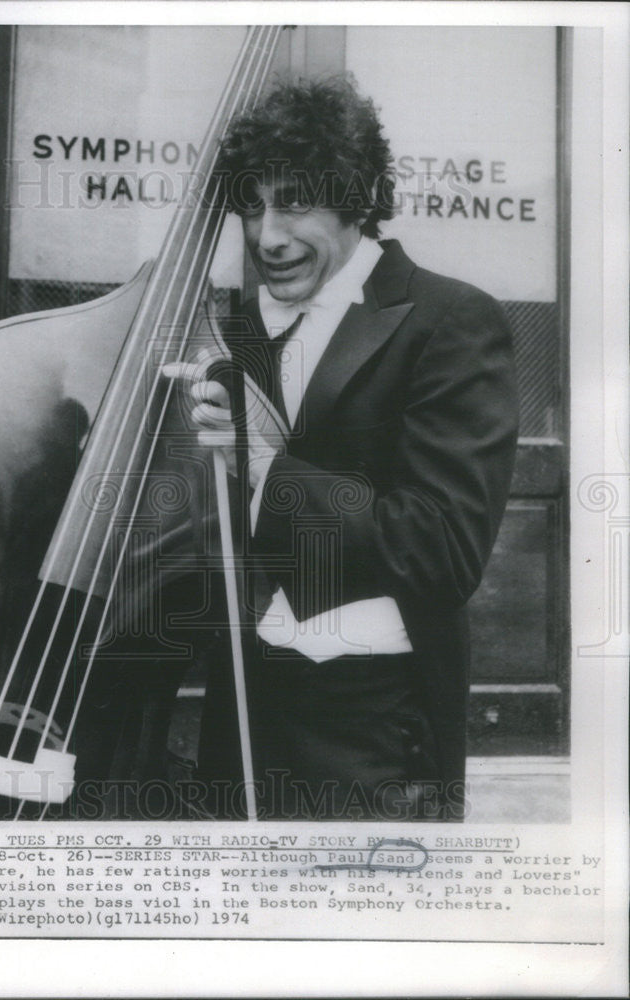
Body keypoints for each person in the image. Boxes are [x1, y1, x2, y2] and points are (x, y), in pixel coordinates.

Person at [165, 76, 519, 822]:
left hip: (375, 734)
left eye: (295, 202)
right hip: (240, 722)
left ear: (355, 198)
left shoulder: (449, 321)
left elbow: (443, 548)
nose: (267, 236)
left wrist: (263, 467)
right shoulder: (232, 331)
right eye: (253, 206)